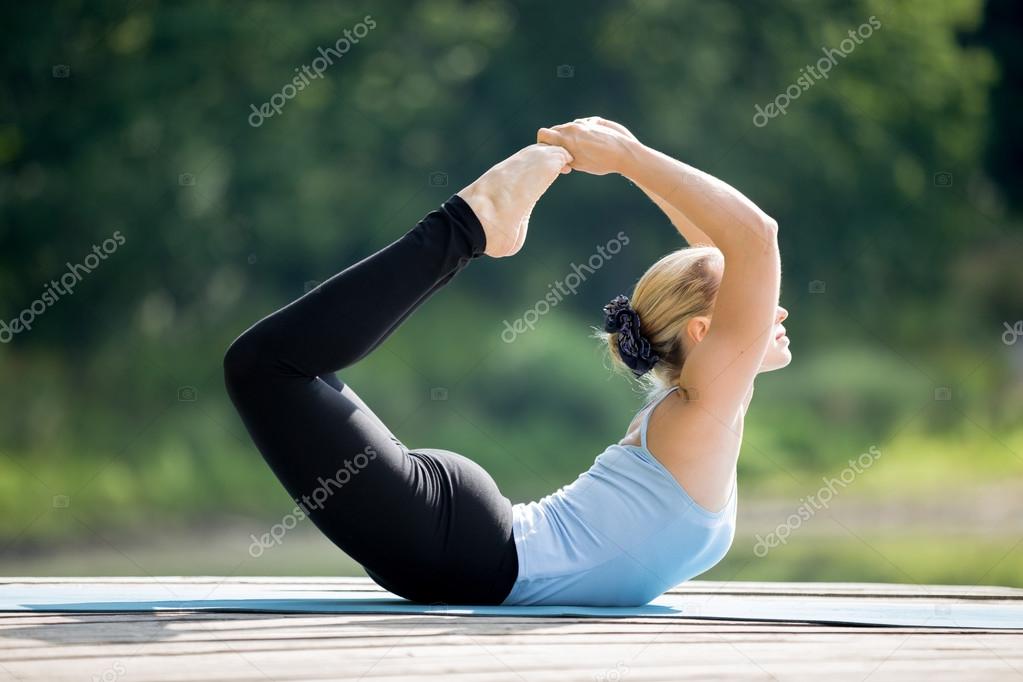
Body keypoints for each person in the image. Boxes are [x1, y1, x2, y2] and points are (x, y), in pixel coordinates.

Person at [224, 116, 789, 606]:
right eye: (759, 307)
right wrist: (628, 159)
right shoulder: (702, 406)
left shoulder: (710, 403)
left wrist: (631, 160)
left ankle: (473, 227)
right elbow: (753, 241)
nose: (774, 310)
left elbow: (732, 248)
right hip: (457, 546)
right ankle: (469, 224)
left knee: (280, 369)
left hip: (459, 546)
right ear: (702, 332)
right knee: (265, 367)